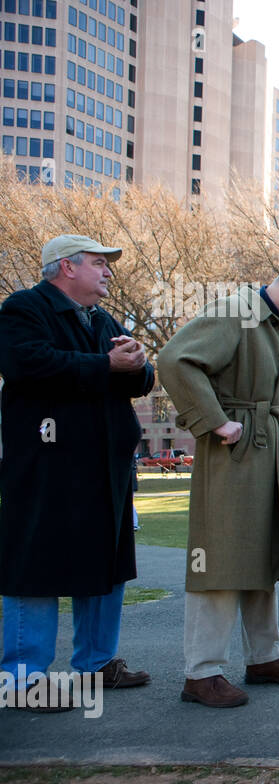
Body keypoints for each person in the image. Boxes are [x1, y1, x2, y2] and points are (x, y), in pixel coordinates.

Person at [158, 260, 279, 708]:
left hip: (268, 451)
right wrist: (216, 423)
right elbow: (175, 359)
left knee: (262, 554)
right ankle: (202, 673)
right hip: (234, 454)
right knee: (217, 559)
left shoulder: (277, 323)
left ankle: (264, 657)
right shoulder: (237, 310)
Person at [0, 235, 154, 710]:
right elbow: (27, 365)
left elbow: (137, 382)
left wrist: (140, 364)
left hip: (103, 466)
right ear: (66, 268)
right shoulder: (24, 308)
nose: (108, 271)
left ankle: (96, 665)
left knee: (105, 568)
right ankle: (21, 681)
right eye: (98, 263)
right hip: (46, 464)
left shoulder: (103, 318)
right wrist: (106, 364)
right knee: (35, 568)